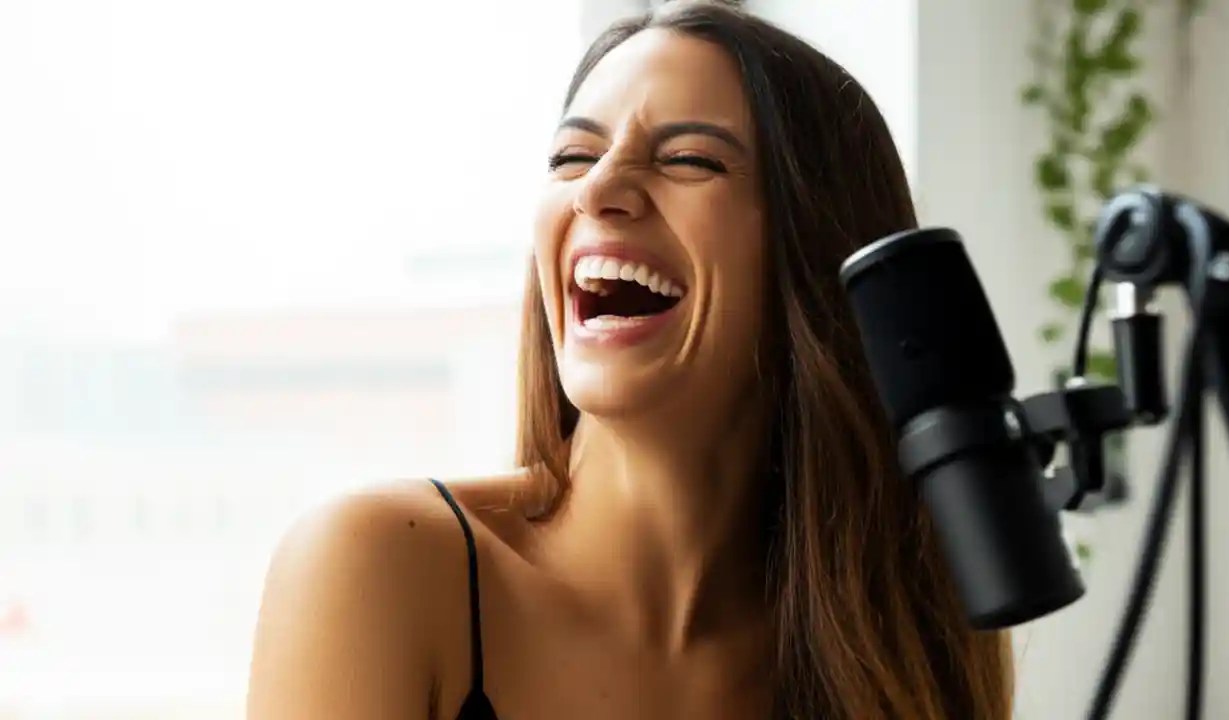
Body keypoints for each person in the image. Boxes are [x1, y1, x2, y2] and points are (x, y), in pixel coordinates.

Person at [246, 2, 1014, 718]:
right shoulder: (382, 567)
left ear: (816, 251)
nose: (599, 189)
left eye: (689, 159)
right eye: (572, 156)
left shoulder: (899, 636)